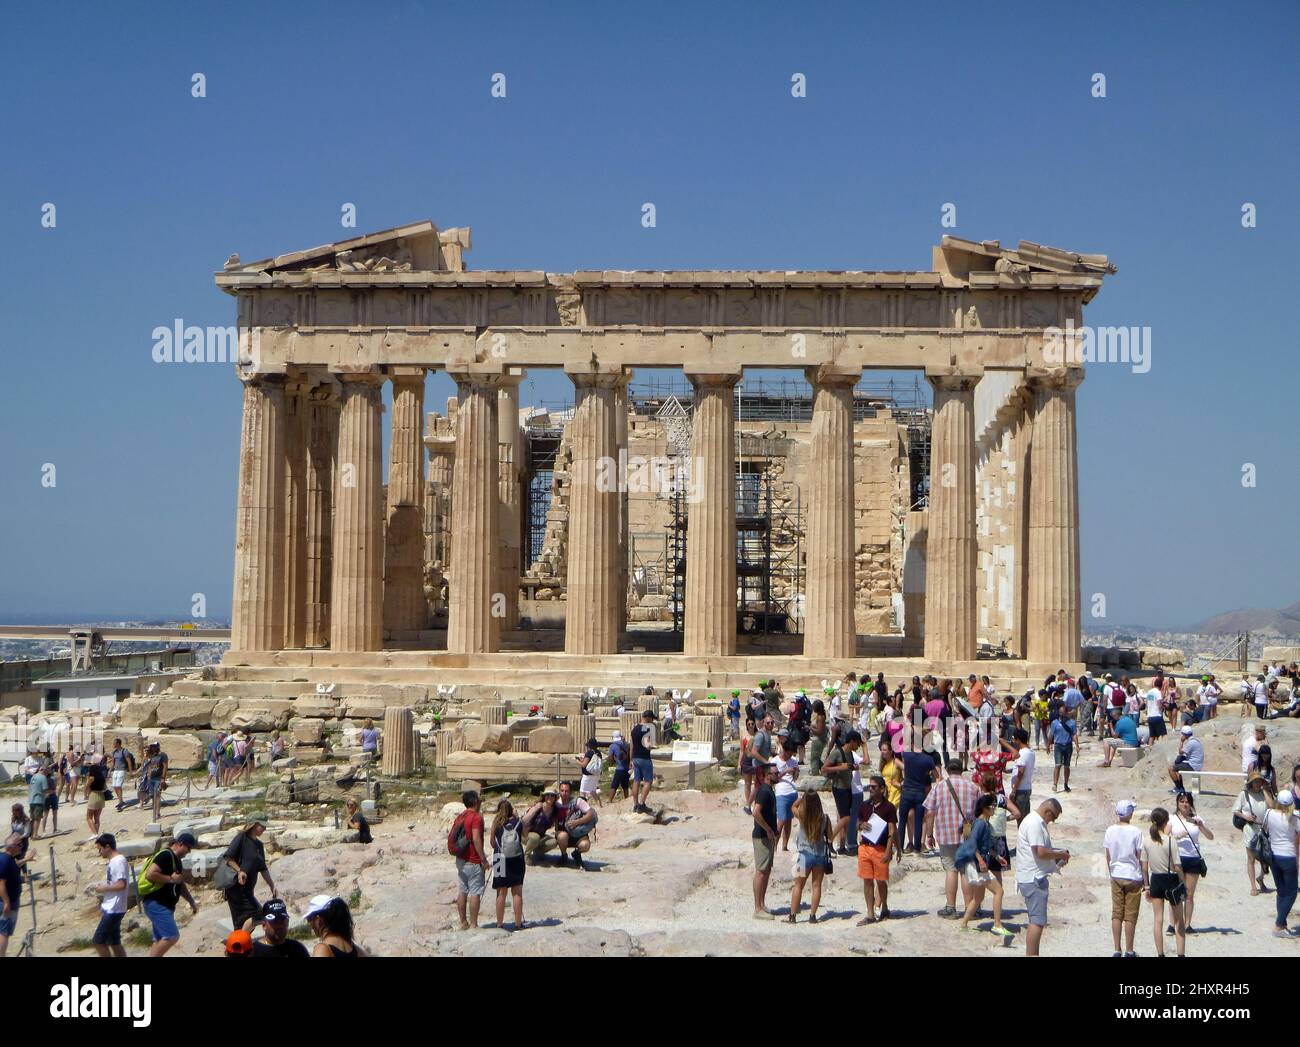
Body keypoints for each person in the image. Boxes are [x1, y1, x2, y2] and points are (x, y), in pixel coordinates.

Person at [925, 758, 982, 919]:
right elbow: (980, 813)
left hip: (946, 833)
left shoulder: (939, 787)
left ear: (947, 770)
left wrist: (929, 834)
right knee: (965, 871)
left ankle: (951, 907)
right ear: (961, 770)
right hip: (967, 834)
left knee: (951, 869)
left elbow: (929, 812)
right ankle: (969, 907)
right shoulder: (973, 787)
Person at [1014, 798, 1069, 956]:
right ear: (1048, 812)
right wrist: (1060, 854)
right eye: (1053, 817)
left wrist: (1057, 858)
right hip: (1033, 879)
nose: (1052, 821)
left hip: (1032, 877)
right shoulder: (1035, 823)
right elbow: (1040, 852)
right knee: (1037, 922)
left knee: (1036, 920)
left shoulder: (1034, 821)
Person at [954, 794, 1010, 935]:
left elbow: (985, 846)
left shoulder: (984, 823)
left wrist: (997, 857)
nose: (994, 808)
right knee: (999, 891)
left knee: (978, 898)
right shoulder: (980, 823)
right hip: (977, 865)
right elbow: (973, 844)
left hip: (977, 864)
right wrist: (980, 860)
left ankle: (964, 924)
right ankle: (997, 924)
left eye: (994, 806)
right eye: (991, 806)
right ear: (984, 808)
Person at [140, 832, 199, 956]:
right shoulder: (166, 855)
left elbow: (180, 884)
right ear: (180, 844)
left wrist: (191, 902)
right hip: (156, 903)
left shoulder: (176, 860)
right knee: (171, 936)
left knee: (159, 938)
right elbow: (151, 874)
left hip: (165, 904)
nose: (188, 852)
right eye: (188, 848)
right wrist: (170, 879)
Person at [1142, 808, 1187, 957]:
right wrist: (1183, 882)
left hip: (1155, 879)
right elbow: (1177, 866)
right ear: (1166, 822)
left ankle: (1160, 954)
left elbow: (1144, 867)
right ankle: (1181, 953)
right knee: (1179, 920)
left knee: (1158, 919)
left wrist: (1146, 886)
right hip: (1171, 879)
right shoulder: (1170, 840)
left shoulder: (1147, 841)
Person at [1104, 800, 1144, 957]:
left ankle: (1116, 948)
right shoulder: (1136, 832)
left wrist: (1112, 871)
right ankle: (1129, 949)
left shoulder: (1110, 830)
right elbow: (1140, 856)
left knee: (1117, 912)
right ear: (1130, 814)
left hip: (1116, 874)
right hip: (1133, 875)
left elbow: (1108, 855)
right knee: (1130, 914)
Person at [221, 818, 276, 930]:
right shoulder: (242, 838)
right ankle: (241, 942)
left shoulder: (259, 845)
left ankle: (239, 943)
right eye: (262, 826)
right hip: (237, 889)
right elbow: (228, 857)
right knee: (258, 914)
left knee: (243, 923)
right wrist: (239, 870)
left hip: (248, 891)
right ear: (254, 825)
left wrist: (272, 885)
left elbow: (263, 868)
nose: (265, 829)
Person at [856, 774, 896, 924]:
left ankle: (884, 906)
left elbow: (892, 830)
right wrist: (860, 825)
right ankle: (870, 913)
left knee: (880, 881)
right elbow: (857, 822)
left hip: (880, 848)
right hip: (865, 847)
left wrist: (889, 850)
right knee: (867, 881)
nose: (870, 789)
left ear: (882, 789)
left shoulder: (889, 807)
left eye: (873, 787)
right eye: (869, 787)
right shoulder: (864, 806)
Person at [786, 791, 830, 923]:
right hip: (820, 854)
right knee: (816, 886)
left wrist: (801, 798)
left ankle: (793, 915)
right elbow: (831, 836)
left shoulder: (802, 815)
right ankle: (812, 915)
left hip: (805, 854)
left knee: (798, 885)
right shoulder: (825, 818)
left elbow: (793, 807)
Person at [1262, 789, 1300, 938]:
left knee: (1281, 891)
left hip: (1273, 855)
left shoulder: (1269, 813)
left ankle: (1283, 923)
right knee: (1291, 892)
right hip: (1288, 856)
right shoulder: (1295, 818)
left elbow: (1265, 829)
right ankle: (1278, 925)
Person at [451, 791, 490, 929]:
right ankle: (473, 924)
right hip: (473, 860)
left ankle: (463, 922)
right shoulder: (476, 817)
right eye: (479, 800)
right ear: (475, 801)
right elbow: (476, 838)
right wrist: (483, 860)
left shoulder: (461, 816)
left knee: (462, 890)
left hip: (460, 859)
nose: (481, 802)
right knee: (475, 892)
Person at [1234, 772, 1274, 895]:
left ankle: (1261, 878)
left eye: (1259, 781)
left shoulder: (1263, 793)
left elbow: (1272, 806)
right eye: (1256, 781)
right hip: (1250, 828)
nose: (1258, 783)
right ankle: (1253, 886)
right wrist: (1246, 817)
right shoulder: (1244, 794)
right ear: (1251, 782)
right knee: (1251, 858)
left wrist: (1266, 790)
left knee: (1266, 857)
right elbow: (1235, 810)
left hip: (1263, 828)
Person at [821, 730, 859, 853]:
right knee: (846, 818)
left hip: (848, 788)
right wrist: (840, 767)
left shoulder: (851, 754)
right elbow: (823, 769)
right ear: (852, 742)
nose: (858, 746)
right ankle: (829, 840)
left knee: (844, 818)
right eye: (857, 744)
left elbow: (849, 766)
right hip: (839, 788)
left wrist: (853, 767)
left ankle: (842, 846)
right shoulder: (837, 752)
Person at [91, 833, 129, 957]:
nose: (99, 852)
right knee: (114, 942)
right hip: (114, 906)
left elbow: (121, 884)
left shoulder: (118, 862)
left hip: (114, 908)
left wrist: (104, 888)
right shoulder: (116, 861)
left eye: (100, 849)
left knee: (98, 942)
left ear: (107, 847)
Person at [490, 799, 526, 930]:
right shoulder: (518, 822)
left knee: (501, 892)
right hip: (517, 858)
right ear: (511, 809)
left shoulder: (496, 822)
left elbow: (492, 843)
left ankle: (499, 923)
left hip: (500, 858)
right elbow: (525, 836)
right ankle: (518, 923)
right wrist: (516, 817)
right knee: (517, 892)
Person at [751, 762, 779, 920]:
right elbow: (756, 813)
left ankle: (762, 904)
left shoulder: (769, 790)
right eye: (775, 773)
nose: (777, 775)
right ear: (768, 776)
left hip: (768, 835)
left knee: (766, 871)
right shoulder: (763, 791)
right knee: (761, 872)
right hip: (761, 836)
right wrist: (768, 829)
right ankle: (757, 908)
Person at [555, 780, 597, 869]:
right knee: (562, 836)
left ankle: (577, 854)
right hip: (564, 833)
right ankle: (564, 855)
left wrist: (577, 822)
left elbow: (590, 814)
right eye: (562, 790)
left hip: (579, 833)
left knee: (585, 845)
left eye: (566, 791)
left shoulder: (577, 802)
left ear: (570, 792)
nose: (564, 793)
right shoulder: (556, 804)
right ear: (559, 791)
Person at [773, 739, 800, 851]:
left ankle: (785, 846)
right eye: (789, 753)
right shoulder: (775, 761)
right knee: (782, 820)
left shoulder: (793, 760)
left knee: (789, 821)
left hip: (792, 791)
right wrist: (784, 771)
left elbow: (795, 778)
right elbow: (774, 779)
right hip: (781, 793)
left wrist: (796, 772)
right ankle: (774, 846)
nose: (790, 756)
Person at [521, 787, 559, 864]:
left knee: (554, 842)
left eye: (552, 795)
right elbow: (523, 821)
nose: (550, 797)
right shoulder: (539, 806)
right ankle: (526, 855)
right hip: (526, 834)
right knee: (535, 837)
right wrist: (535, 808)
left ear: (555, 797)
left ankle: (537, 851)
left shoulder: (554, 810)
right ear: (544, 796)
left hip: (540, 836)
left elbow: (557, 825)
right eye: (547, 795)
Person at [0, 834, 23, 956]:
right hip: (7, 903)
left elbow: (13, 867)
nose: (21, 847)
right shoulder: (4, 860)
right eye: (19, 845)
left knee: (4, 931)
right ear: (12, 847)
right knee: (4, 932)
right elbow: (1, 883)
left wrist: (26, 860)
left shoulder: (7, 859)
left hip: (9, 902)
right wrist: (7, 902)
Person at [630, 710, 657, 814]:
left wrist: (631, 759)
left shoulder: (634, 729)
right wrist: (653, 746)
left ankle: (635, 804)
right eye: (652, 718)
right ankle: (642, 804)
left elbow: (631, 746)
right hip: (644, 758)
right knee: (648, 781)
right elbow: (647, 745)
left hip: (635, 758)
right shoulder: (647, 728)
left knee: (636, 781)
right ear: (648, 718)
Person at [1007, 728, 1035, 824]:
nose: (1014, 741)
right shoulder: (1030, 752)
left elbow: (1021, 772)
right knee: (1025, 818)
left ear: (1018, 739)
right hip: (1026, 788)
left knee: (1021, 819)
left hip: (1021, 790)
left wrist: (1014, 791)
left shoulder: (1022, 754)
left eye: (1014, 739)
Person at [1168, 726, 1204, 794]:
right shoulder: (1195, 740)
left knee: (1170, 768)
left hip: (1193, 766)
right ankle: (1180, 787)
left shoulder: (1191, 743)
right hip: (1196, 764)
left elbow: (1180, 752)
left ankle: (1179, 788)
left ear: (1185, 735)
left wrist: (1181, 742)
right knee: (1177, 762)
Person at [139, 742, 169, 823]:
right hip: (151, 778)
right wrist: (148, 776)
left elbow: (165, 766)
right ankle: (155, 812)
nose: (152, 748)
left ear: (157, 747)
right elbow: (149, 766)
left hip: (158, 778)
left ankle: (158, 813)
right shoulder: (152, 756)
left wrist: (163, 778)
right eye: (151, 747)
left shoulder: (162, 755)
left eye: (153, 746)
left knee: (158, 795)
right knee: (153, 796)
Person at [1049, 710, 1076, 793]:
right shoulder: (1055, 723)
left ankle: (1066, 784)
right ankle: (1055, 784)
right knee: (1058, 765)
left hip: (1068, 745)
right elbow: (1051, 734)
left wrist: (1077, 745)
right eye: (1060, 712)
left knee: (1067, 766)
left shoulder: (1072, 723)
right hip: (1058, 746)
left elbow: (1074, 734)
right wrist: (1048, 744)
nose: (1062, 714)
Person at [83, 756, 109, 839]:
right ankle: (96, 834)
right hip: (101, 796)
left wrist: (86, 795)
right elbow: (105, 788)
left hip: (93, 796)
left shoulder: (91, 778)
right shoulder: (102, 778)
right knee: (97, 817)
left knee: (89, 817)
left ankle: (94, 834)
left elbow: (86, 786)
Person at [576, 738, 604, 805]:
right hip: (596, 774)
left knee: (582, 792)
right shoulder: (598, 752)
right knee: (593, 792)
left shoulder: (589, 752)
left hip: (588, 775)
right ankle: (600, 806)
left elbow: (584, 765)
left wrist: (577, 761)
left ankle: (583, 807)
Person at [738, 720, 757, 813]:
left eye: (752, 724)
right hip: (746, 760)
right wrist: (739, 763)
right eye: (748, 724)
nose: (750, 726)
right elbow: (741, 750)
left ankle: (756, 804)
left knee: (757, 783)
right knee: (747, 784)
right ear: (746, 725)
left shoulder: (758, 736)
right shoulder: (743, 737)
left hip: (755, 761)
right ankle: (748, 803)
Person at [608, 730, 631, 803]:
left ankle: (610, 800)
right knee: (625, 785)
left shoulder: (612, 746)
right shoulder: (626, 744)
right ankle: (626, 799)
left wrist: (612, 763)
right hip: (627, 768)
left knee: (614, 784)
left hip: (619, 768)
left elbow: (610, 757)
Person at [26, 766, 48, 843]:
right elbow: (45, 789)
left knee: (33, 818)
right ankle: (35, 835)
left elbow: (30, 788)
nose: (47, 773)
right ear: (43, 770)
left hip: (31, 800)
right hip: (38, 800)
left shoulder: (33, 777)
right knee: (37, 819)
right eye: (46, 771)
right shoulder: (43, 777)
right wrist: (47, 795)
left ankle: (31, 834)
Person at [808, 699, 829, 775]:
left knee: (814, 760)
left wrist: (810, 728)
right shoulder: (820, 716)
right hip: (818, 740)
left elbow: (820, 731)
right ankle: (826, 772)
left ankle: (815, 774)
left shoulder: (820, 717)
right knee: (816, 758)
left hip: (818, 740)